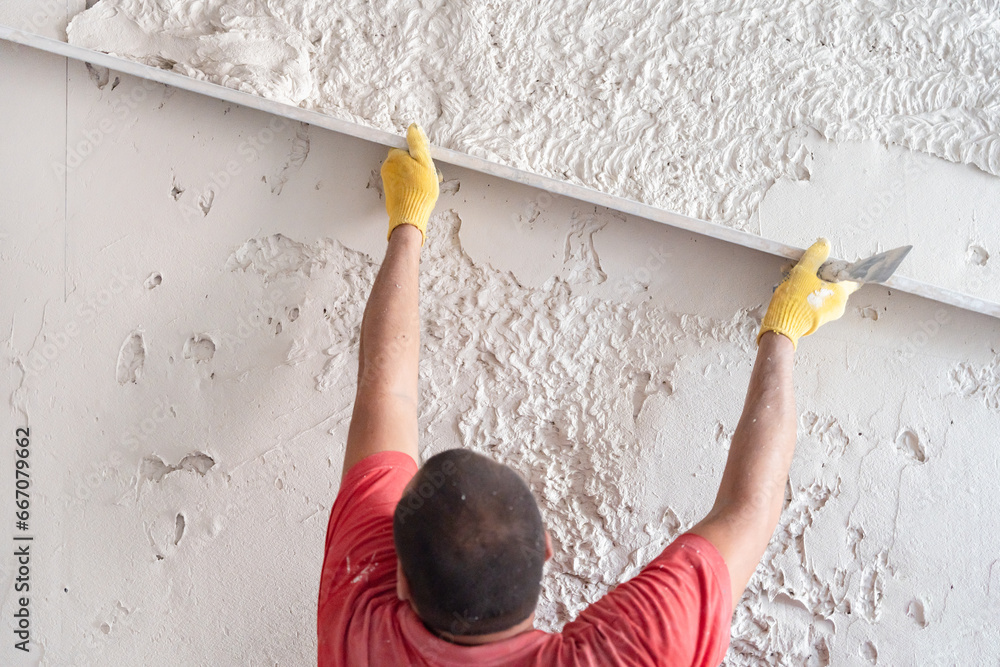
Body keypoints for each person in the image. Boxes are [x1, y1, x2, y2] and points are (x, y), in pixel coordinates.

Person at [317, 124, 859, 666]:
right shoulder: (627, 652)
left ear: (402, 583)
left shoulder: (358, 605)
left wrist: (408, 222)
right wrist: (784, 329)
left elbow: (384, 397)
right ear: (548, 548)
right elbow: (751, 508)